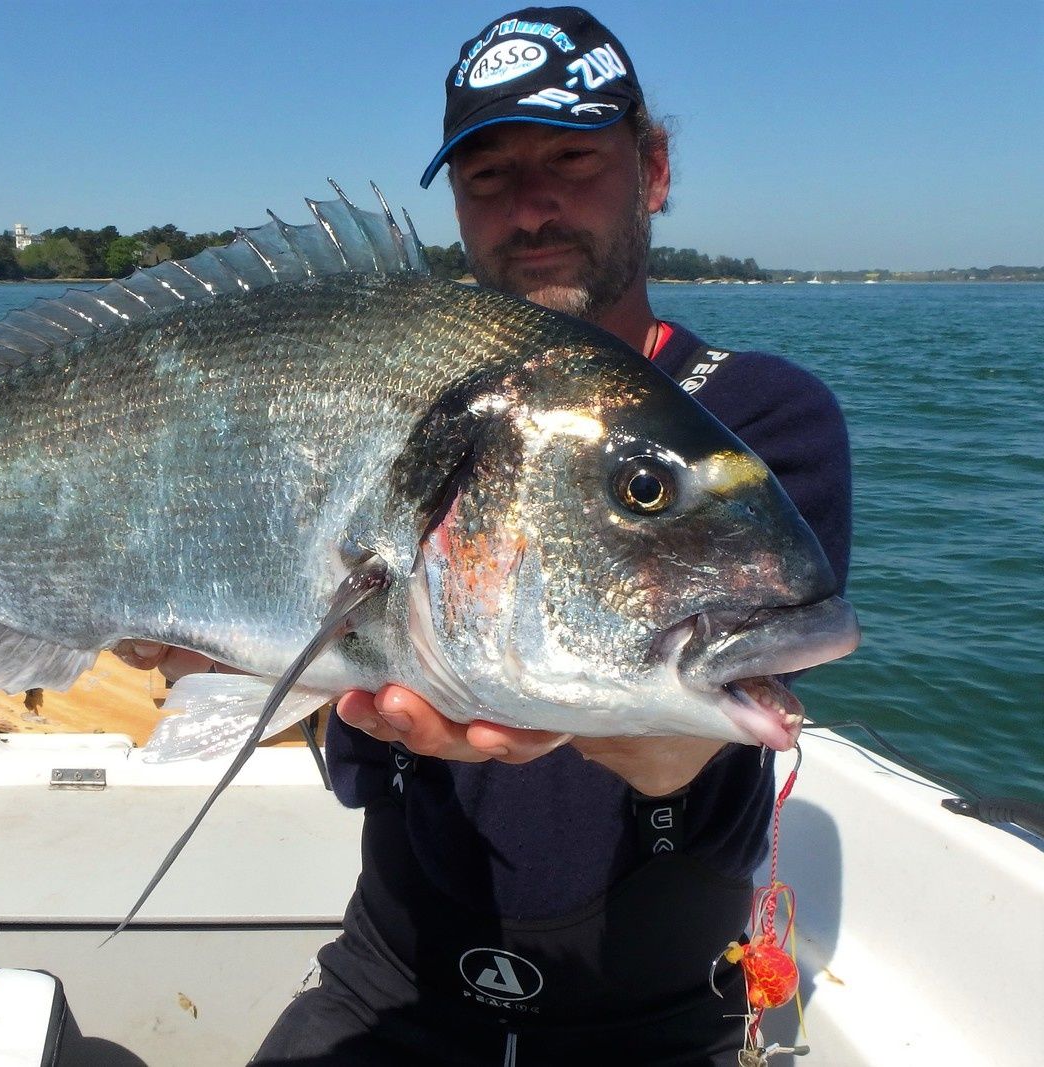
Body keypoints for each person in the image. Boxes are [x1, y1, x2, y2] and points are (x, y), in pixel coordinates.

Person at [125, 7, 851, 1064]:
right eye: (490, 177)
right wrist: (217, 652)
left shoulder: (754, 418)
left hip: (650, 1019)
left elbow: (686, 744)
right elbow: (341, 719)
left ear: (651, 168)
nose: (534, 207)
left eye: (570, 157)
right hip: (389, 982)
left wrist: (647, 732)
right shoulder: (391, 386)